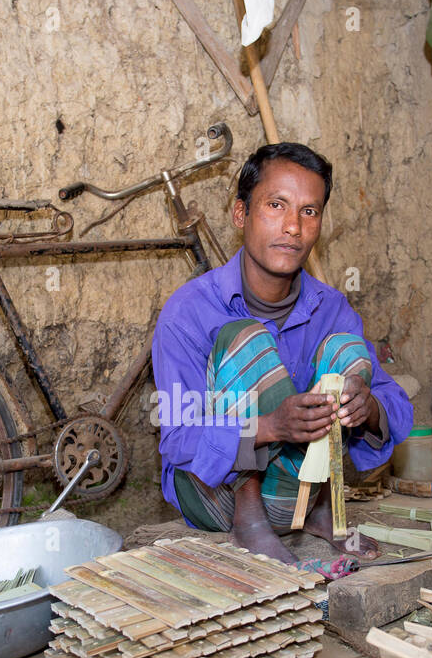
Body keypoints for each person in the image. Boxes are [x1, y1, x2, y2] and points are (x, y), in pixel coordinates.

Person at [151, 142, 413, 566]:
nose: (293, 226)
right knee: (243, 339)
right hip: (214, 495)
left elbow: (397, 408)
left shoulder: (331, 308)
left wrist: (368, 408)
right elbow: (179, 439)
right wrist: (270, 426)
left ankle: (325, 509)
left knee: (346, 349)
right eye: (276, 205)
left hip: (296, 495)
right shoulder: (190, 309)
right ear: (242, 215)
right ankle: (250, 521)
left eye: (309, 211)